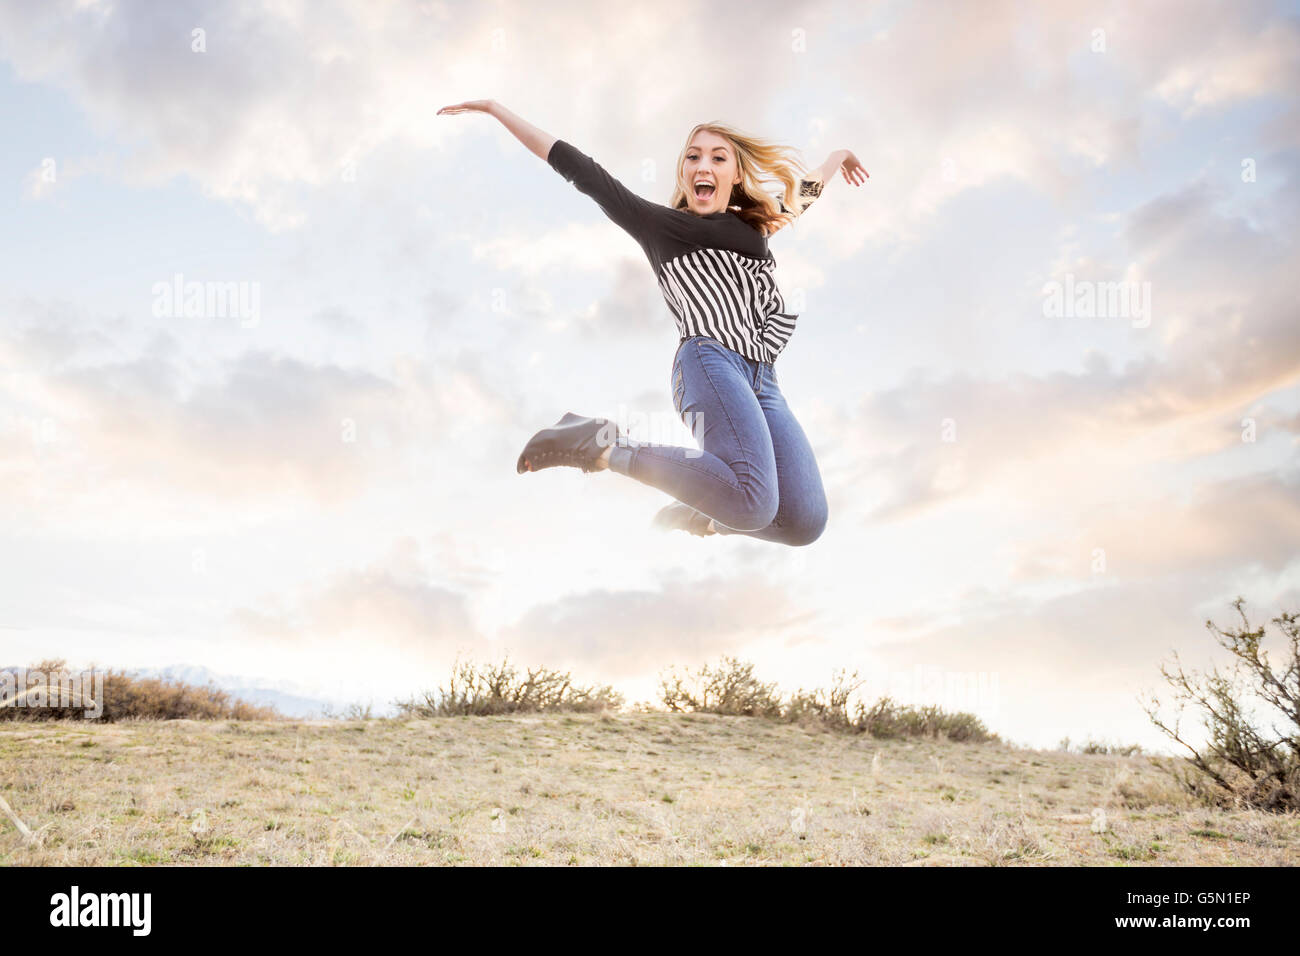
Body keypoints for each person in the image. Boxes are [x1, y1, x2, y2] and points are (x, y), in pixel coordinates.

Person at [437, 99, 866, 546]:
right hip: (709, 361)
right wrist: (495, 108)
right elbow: (583, 172)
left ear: (736, 175)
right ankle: (600, 444)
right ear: (684, 173)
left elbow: (804, 194)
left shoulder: (753, 228)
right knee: (756, 501)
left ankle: (702, 515)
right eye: (693, 156)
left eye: (718, 157)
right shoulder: (660, 226)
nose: (704, 164)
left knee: (804, 522)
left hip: (764, 381)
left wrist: (838, 156)